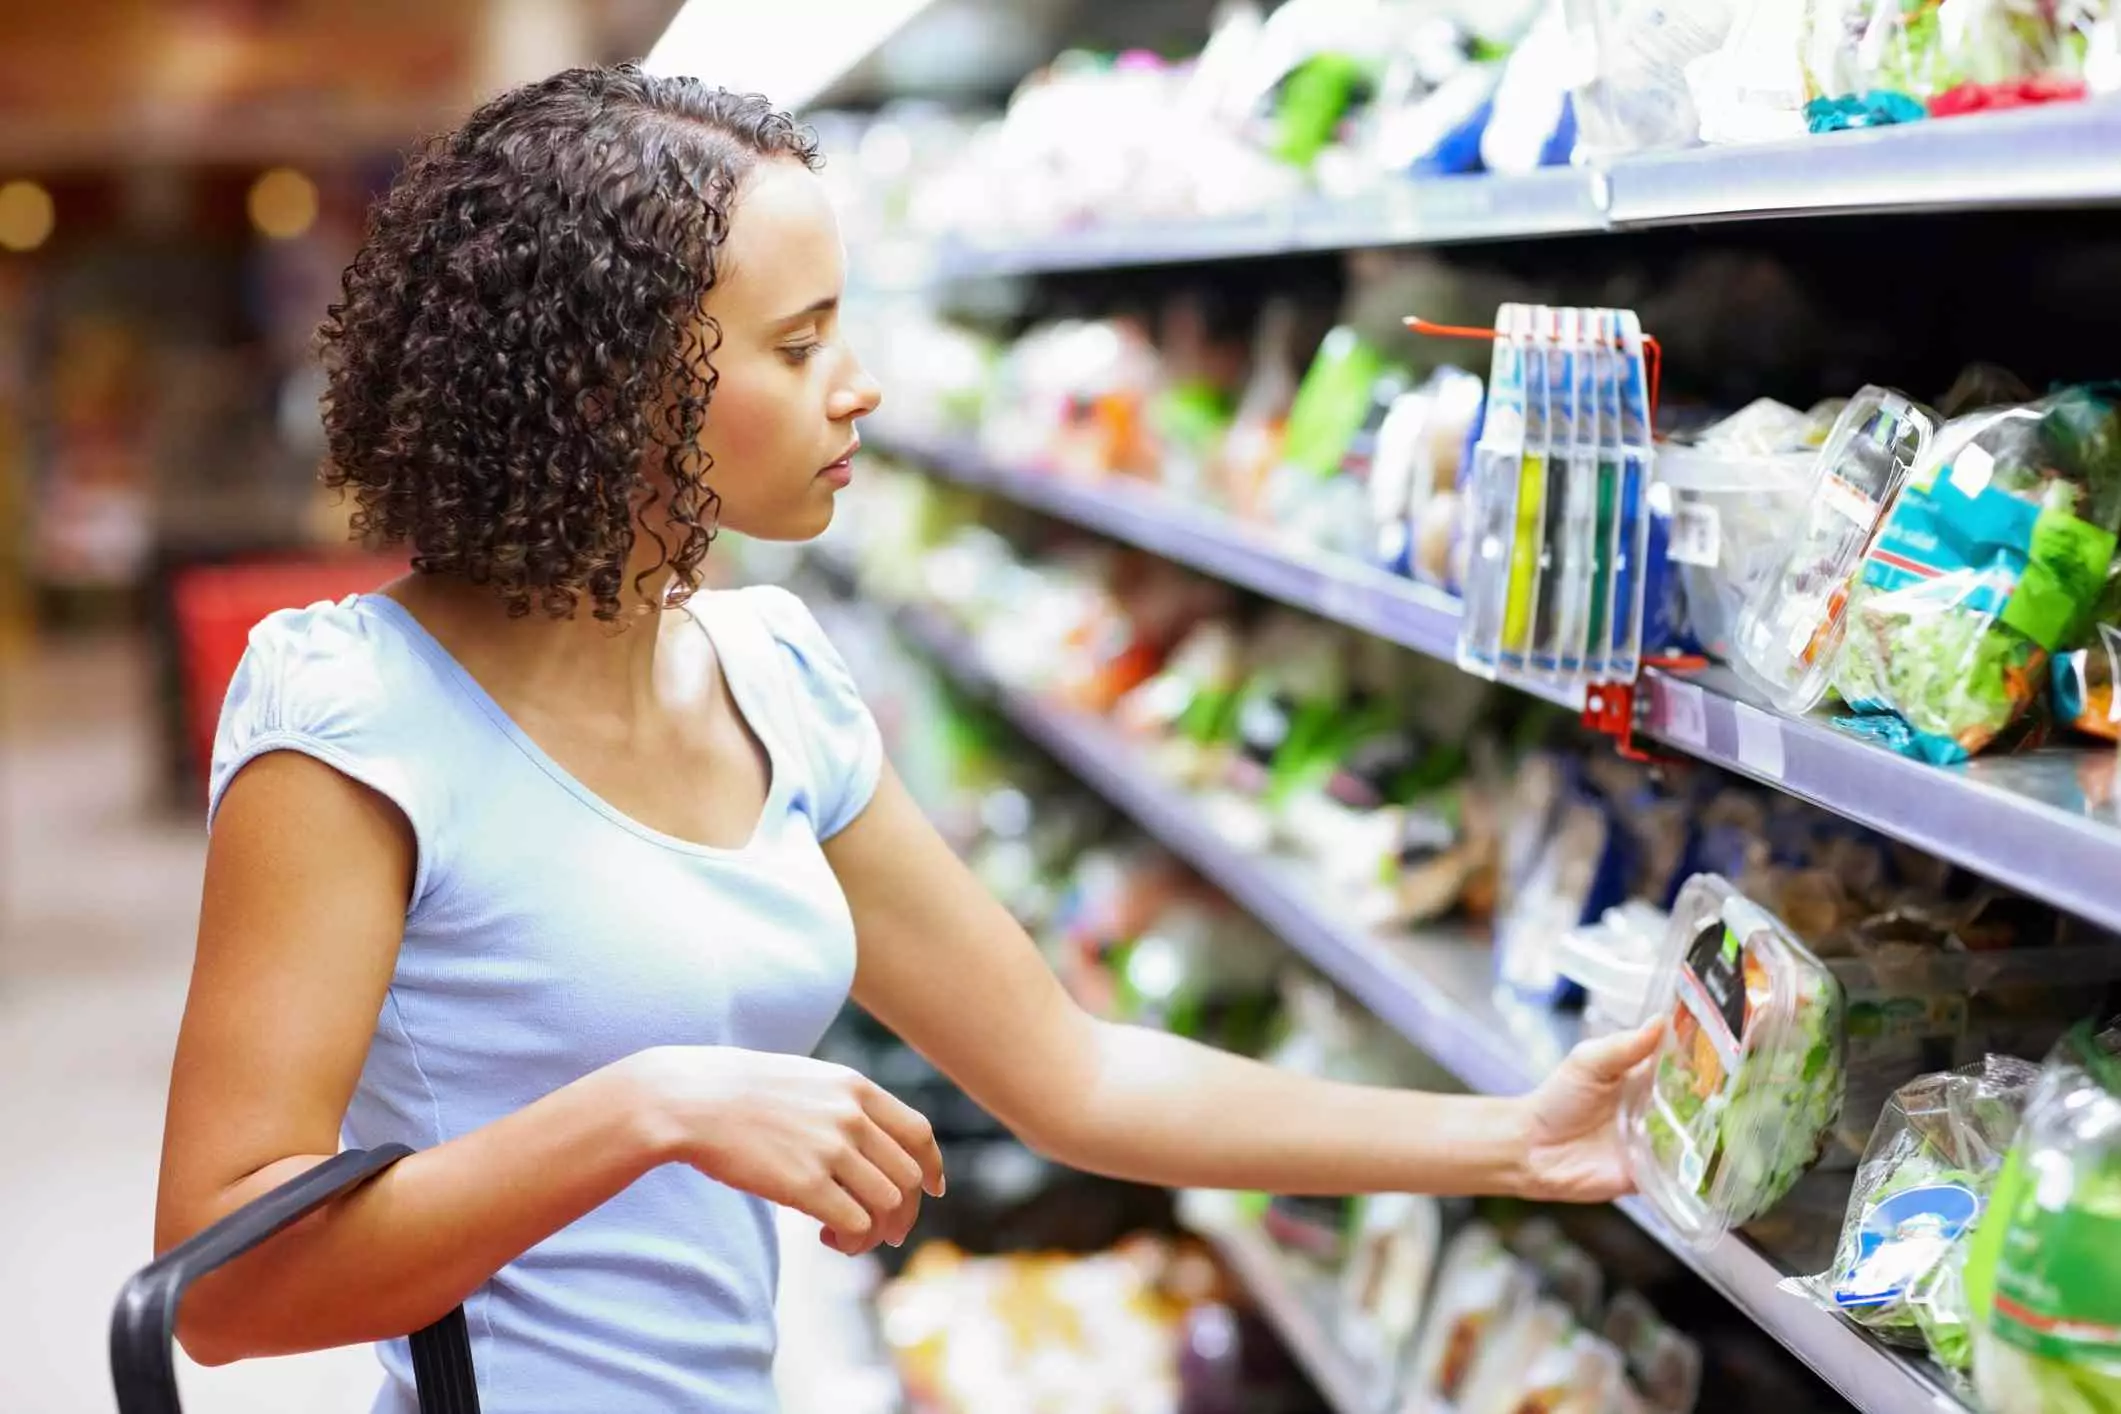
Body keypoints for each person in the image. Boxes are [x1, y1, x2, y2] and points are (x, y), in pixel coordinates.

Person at [156, 64, 1663, 1414]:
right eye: (801, 344)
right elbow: (225, 1289)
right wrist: (647, 1108)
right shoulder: (356, 715)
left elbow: (1071, 1072)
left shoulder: (771, 672)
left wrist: (1512, 1139)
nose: (859, 386)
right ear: (616, 386)